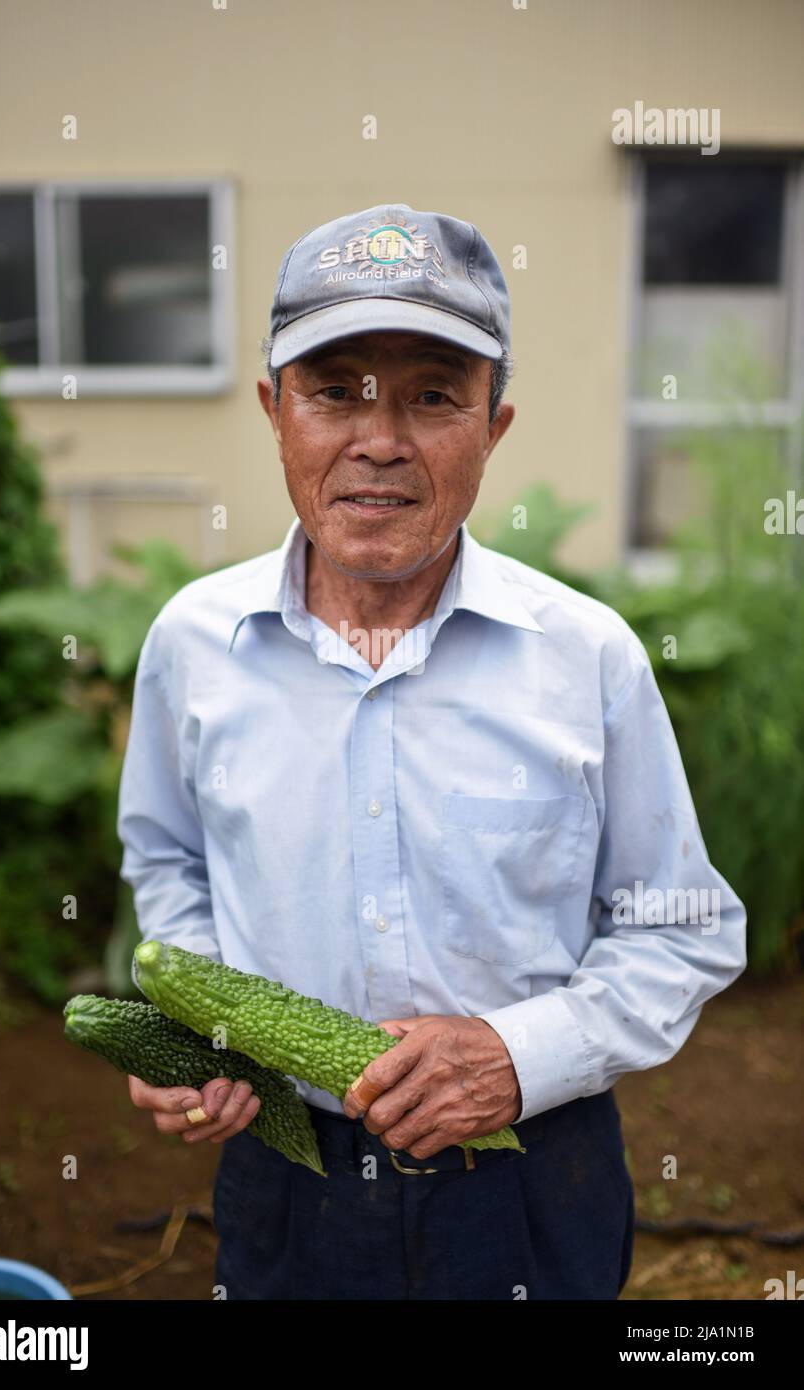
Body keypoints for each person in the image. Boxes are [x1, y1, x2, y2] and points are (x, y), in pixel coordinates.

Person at [117, 203, 747, 1300]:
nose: (379, 439)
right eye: (335, 389)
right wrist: (200, 1020)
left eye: (435, 395)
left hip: (529, 1178)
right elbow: (169, 859)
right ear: (276, 412)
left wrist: (517, 1054)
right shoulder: (193, 644)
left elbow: (685, 926)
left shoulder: (585, 657)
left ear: (495, 426)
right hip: (283, 1171)